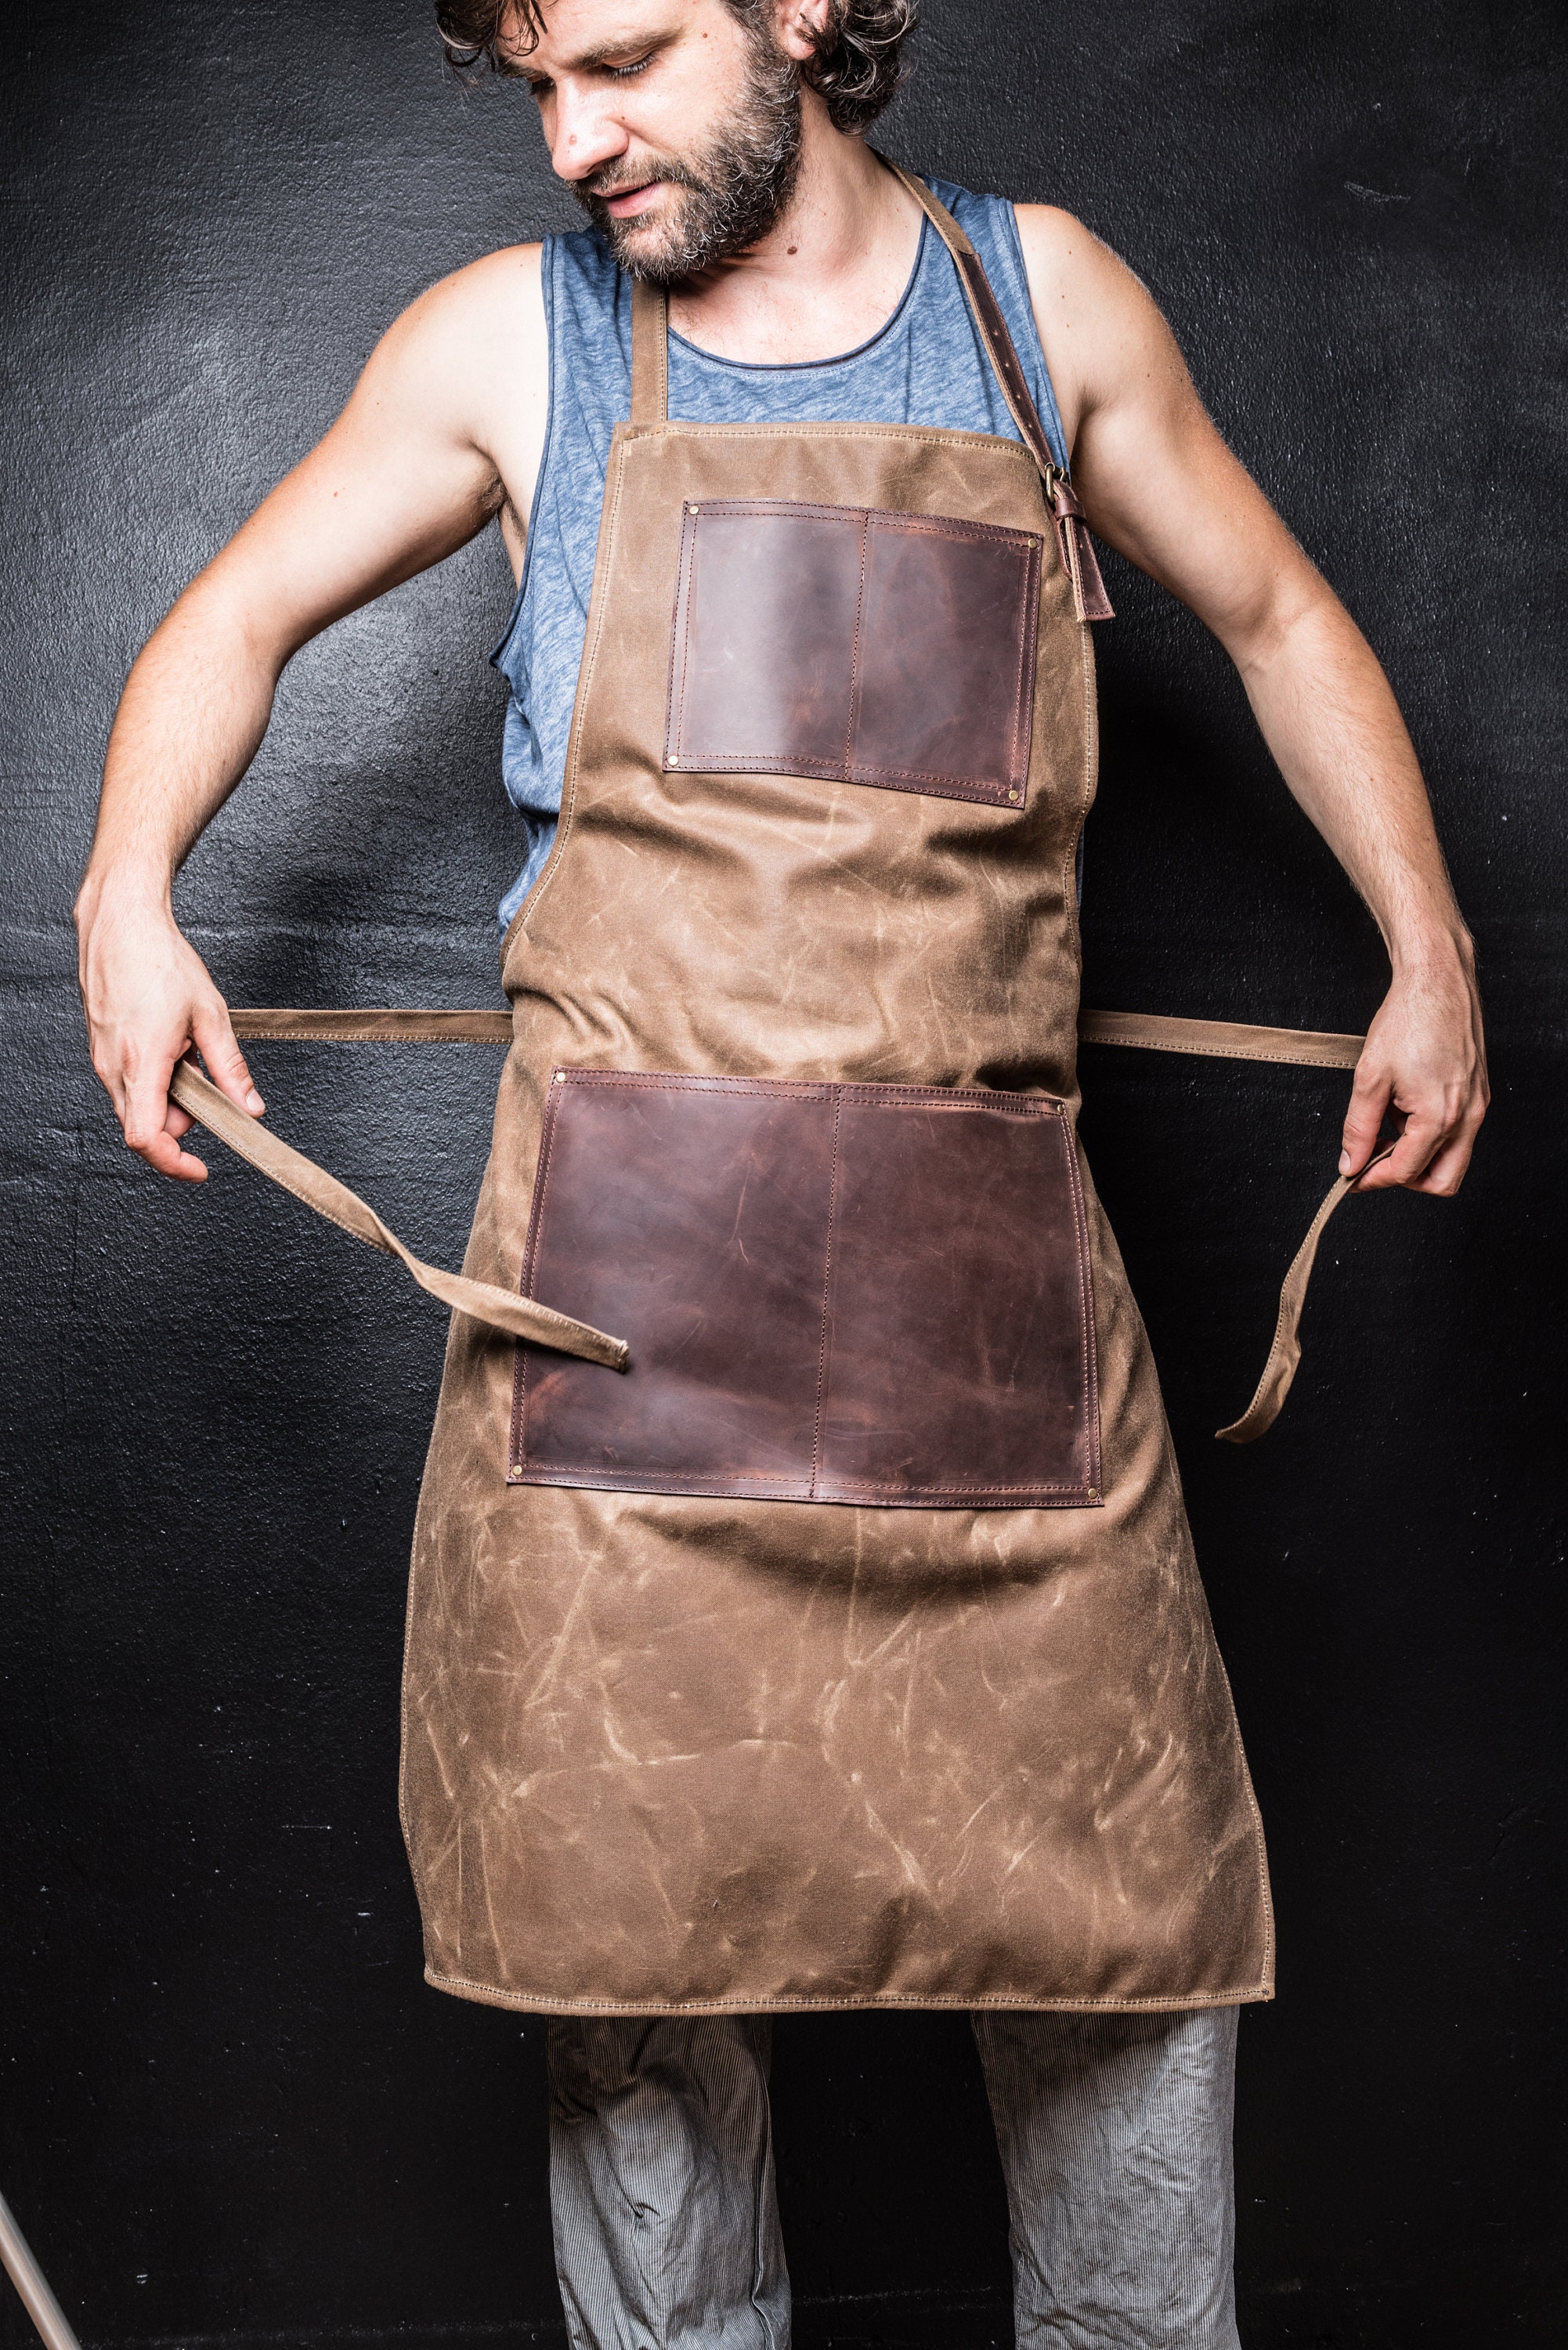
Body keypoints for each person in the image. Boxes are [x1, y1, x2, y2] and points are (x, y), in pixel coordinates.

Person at [73, 4, 1489, 2345]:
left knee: (1117, 1944)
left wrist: (1428, 952)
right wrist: (129, 900)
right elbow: (229, 617)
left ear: (807, 9)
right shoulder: (505, 347)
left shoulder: (1044, 307)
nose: (573, 137)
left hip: (991, 1326)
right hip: (619, 1342)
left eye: (624, 60)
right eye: (538, 86)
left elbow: (1276, 618)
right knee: (633, 1970)